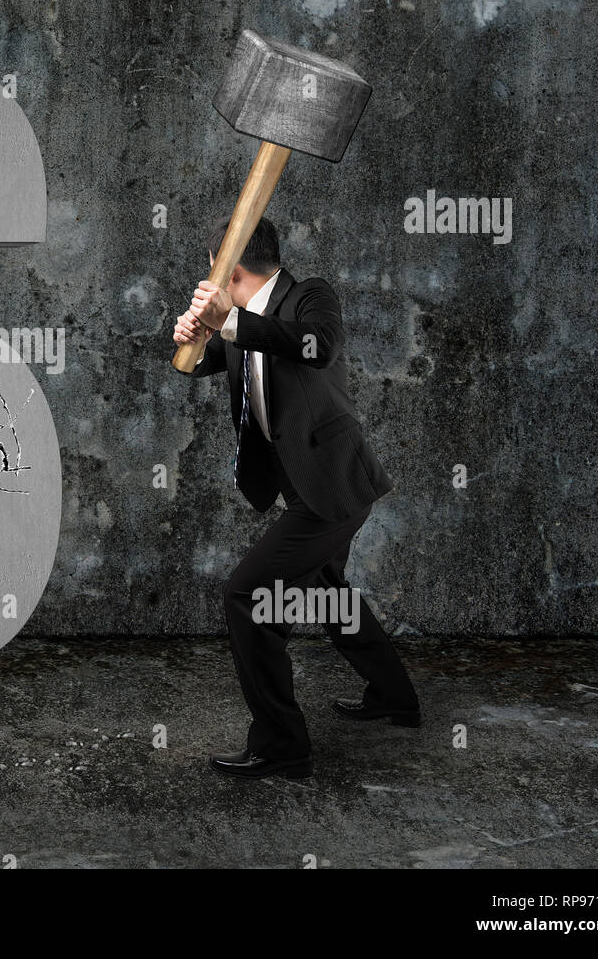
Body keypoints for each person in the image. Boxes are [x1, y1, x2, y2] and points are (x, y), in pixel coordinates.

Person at [173, 216, 420, 780]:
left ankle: (283, 745)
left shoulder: (308, 297)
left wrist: (229, 322)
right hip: (302, 486)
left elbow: (317, 346)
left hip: (334, 487)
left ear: (229, 268)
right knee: (327, 593)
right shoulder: (238, 323)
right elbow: (213, 358)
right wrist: (193, 338)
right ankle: (395, 697)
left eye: (212, 269)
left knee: (248, 598)